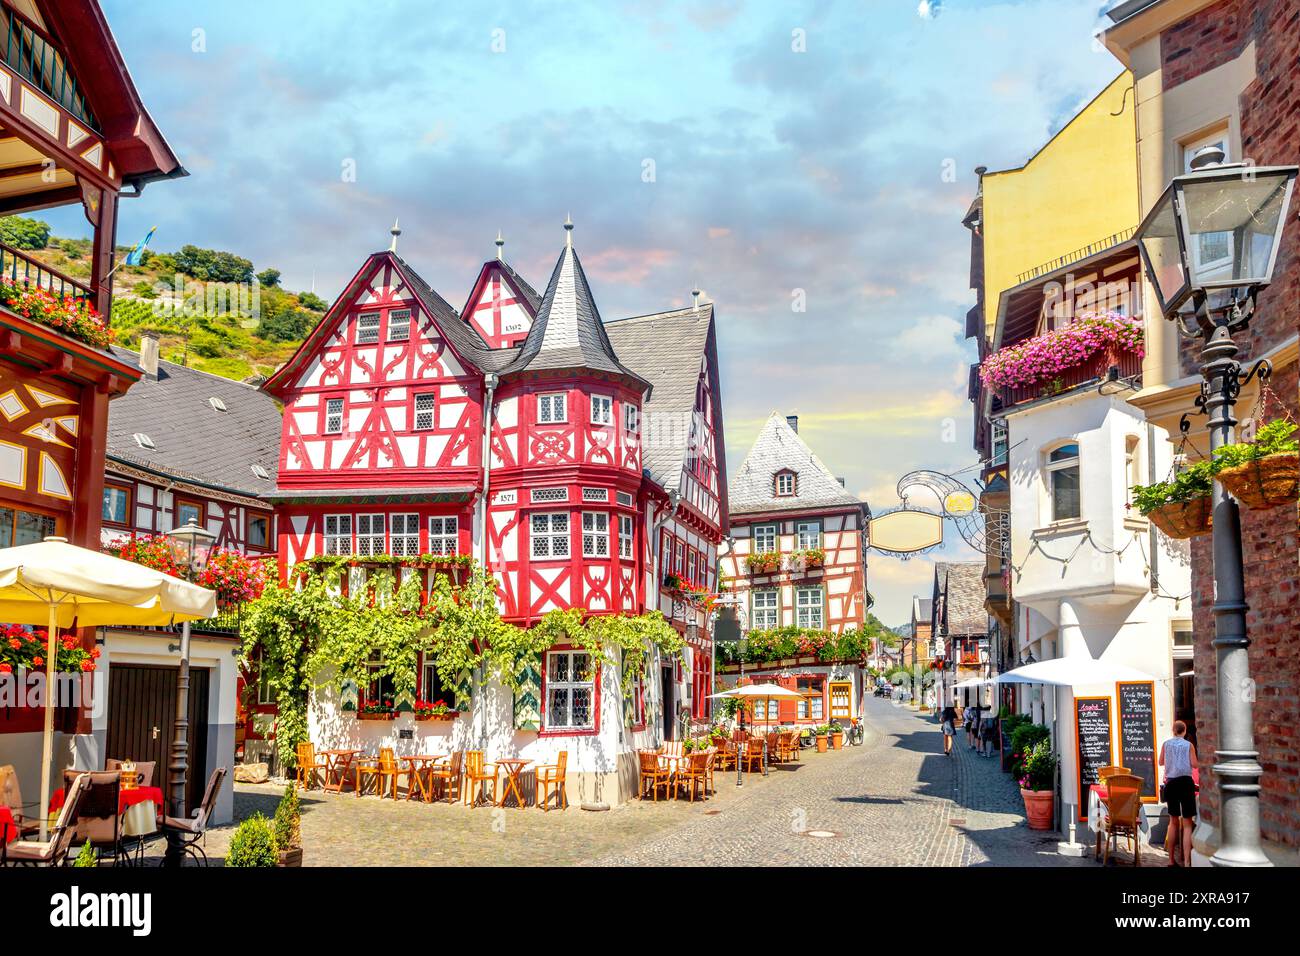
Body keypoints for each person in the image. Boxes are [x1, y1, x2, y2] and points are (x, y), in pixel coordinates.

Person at [1159, 720, 1198, 867]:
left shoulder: (1166, 744)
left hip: (1172, 783)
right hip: (1185, 783)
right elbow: (1194, 764)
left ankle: (1170, 860)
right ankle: (1187, 862)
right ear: (1185, 731)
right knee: (1187, 824)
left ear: (1173, 730)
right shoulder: (1189, 745)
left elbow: (1160, 762)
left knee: (1173, 822)